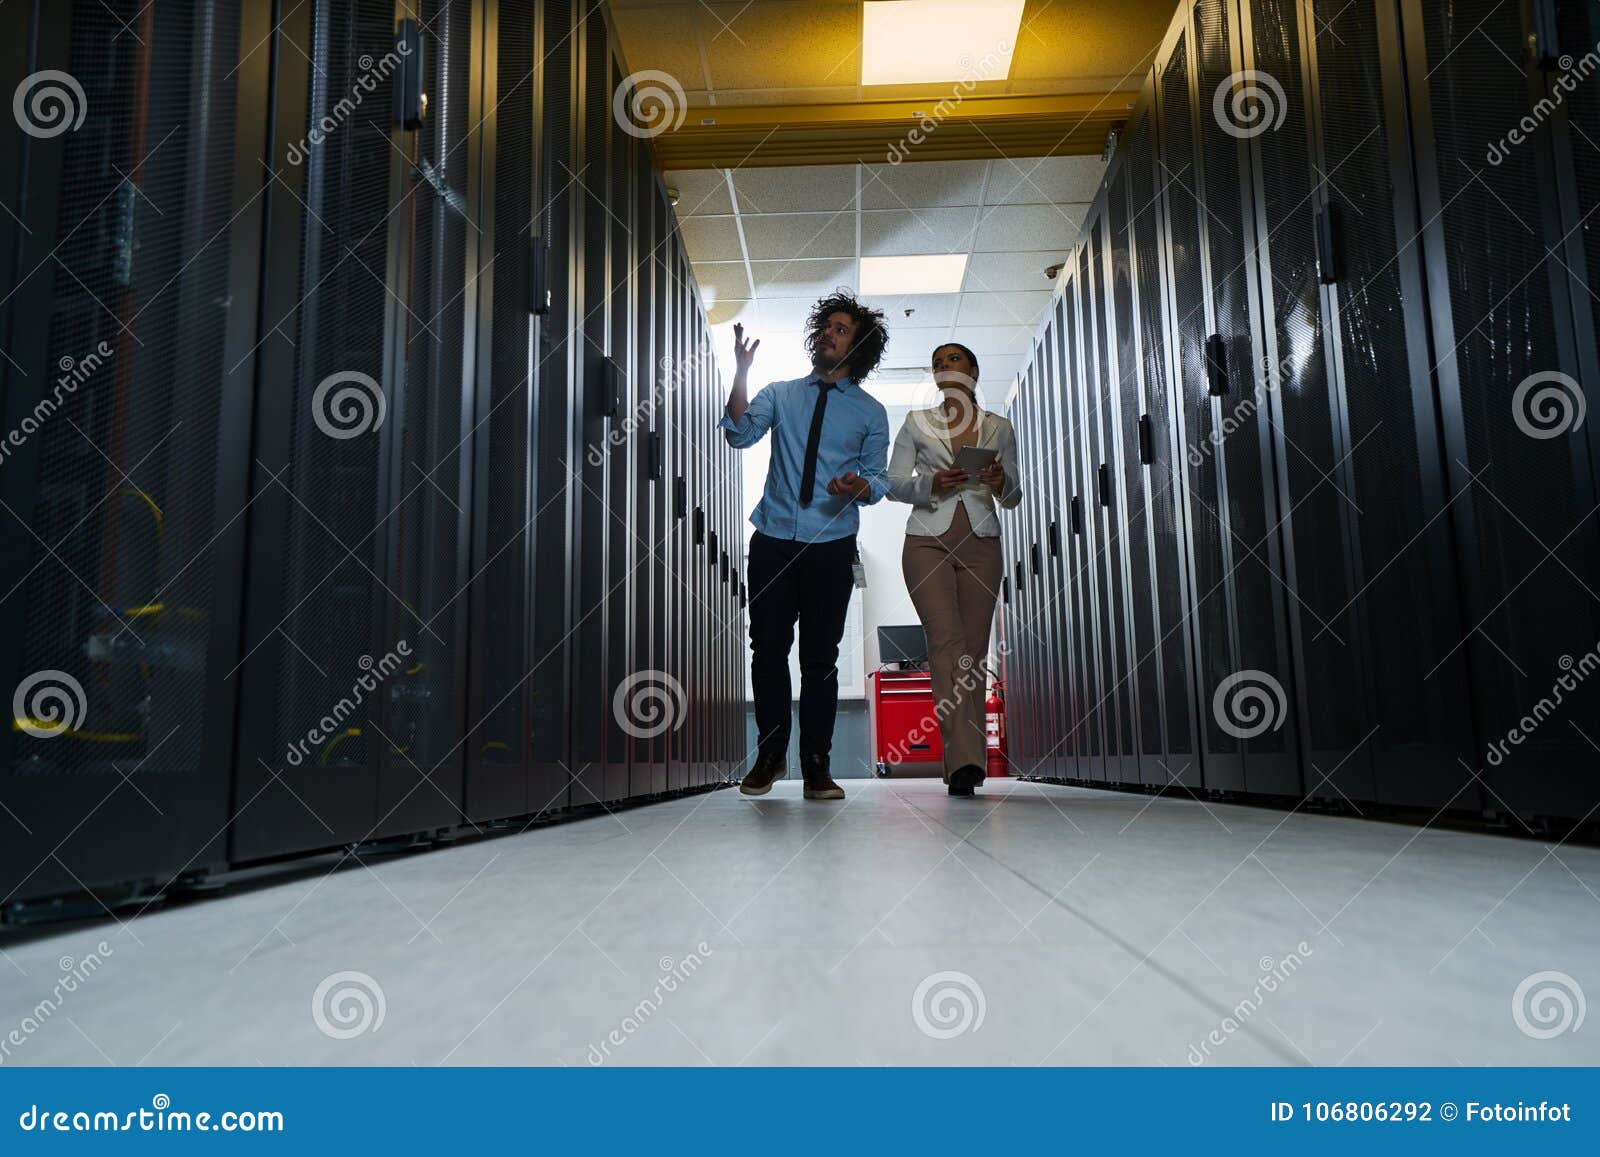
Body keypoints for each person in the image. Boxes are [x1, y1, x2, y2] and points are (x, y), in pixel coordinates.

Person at [721, 291, 891, 800]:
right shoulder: (782, 393)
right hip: (773, 538)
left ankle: (816, 765)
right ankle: (770, 757)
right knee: (768, 648)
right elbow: (739, 434)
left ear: (857, 347)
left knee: (821, 658)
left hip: (830, 545)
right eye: (826, 327)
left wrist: (855, 487)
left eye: (840, 330)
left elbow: (878, 482)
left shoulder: (870, 412)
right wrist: (741, 371)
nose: (828, 334)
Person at [887, 342, 1021, 796]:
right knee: (946, 642)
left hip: (982, 541)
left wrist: (1003, 482)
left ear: (974, 370)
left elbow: (1014, 494)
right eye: (938, 362)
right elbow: (893, 484)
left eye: (954, 359)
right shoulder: (916, 423)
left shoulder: (999, 427)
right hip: (927, 539)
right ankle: (966, 760)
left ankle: (963, 759)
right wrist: (930, 483)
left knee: (972, 652)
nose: (945, 366)